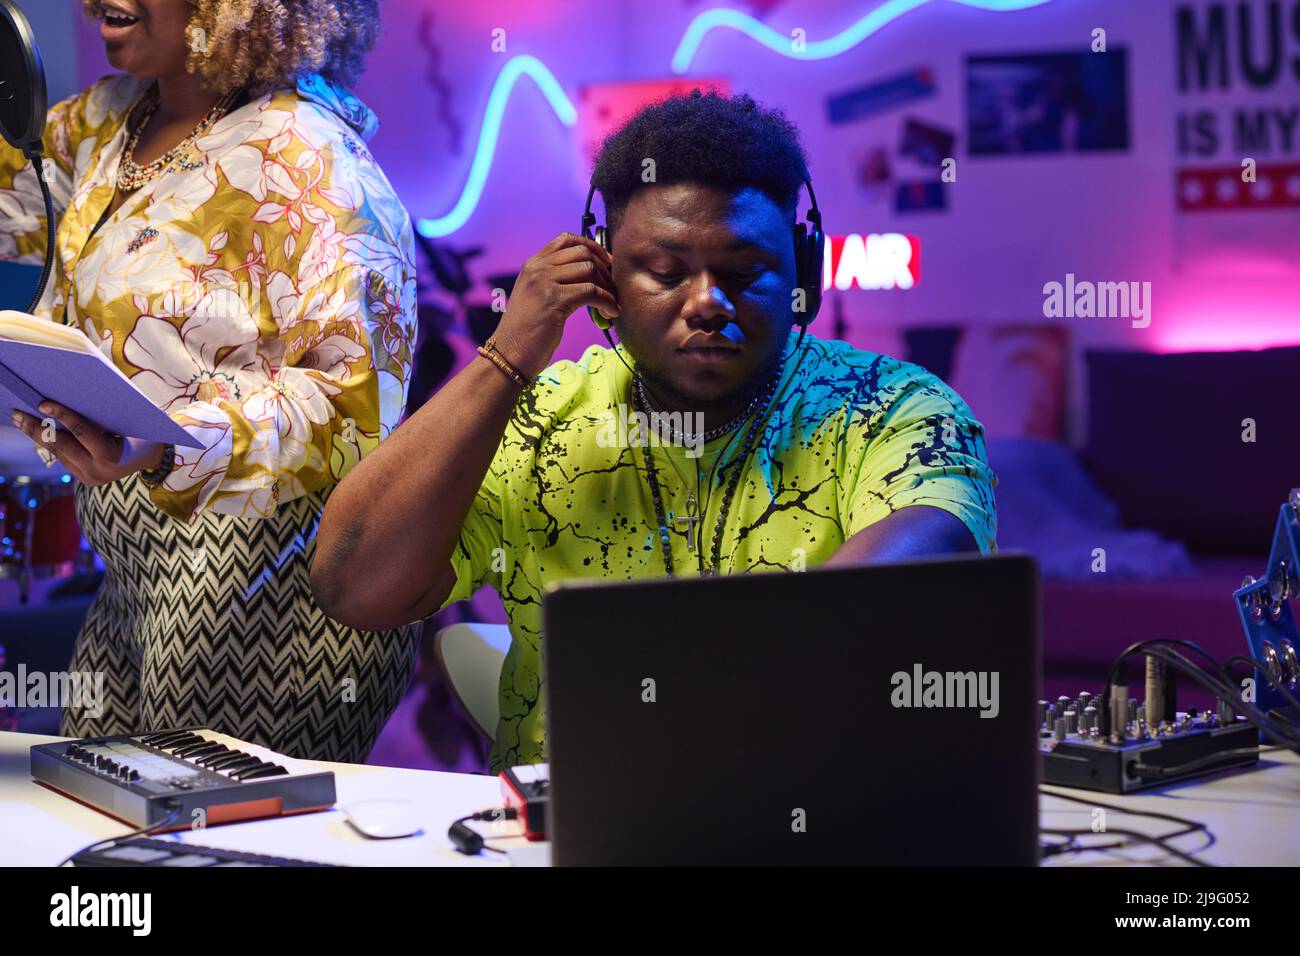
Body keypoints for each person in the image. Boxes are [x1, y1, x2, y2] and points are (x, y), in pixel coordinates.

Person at [311, 90, 997, 772]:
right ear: (604, 275)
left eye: (744, 273)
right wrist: (507, 356)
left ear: (803, 272)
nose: (707, 302)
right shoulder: (537, 419)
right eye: (666, 272)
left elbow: (909, 580)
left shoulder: (895, 409)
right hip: (566, 819)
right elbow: (353, 585)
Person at [0, 0, 419, 762]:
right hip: (133, 566)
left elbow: (354, 405)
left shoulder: (306, 154)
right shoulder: (108, 121)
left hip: (263, 580)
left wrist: (164, 442)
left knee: (200, 824)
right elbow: (11, 207)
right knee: (90, 809)